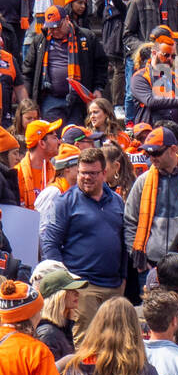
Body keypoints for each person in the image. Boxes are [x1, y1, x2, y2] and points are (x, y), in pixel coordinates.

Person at [40, 146, 126, 343]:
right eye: (82, 173)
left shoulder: (117, 202)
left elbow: (122, 242)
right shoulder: (65, 202)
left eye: (92, 173)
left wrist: (123, 278)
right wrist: (66, 282)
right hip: (83, 286)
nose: (87, 178)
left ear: (104, 173)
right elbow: (50, 243)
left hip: (114, 286)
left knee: (114, 344)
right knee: (85, 345)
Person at [124, 127, 178, 273]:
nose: (152, 158)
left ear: (172, 149)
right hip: (151, 265)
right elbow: (130, 221)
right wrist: (137, 257)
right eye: (149, 153)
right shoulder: (143, 181)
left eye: (157, 152)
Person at [121, 0, 178, 121]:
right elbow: (127, 36)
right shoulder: (138, 1)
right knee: (132, 93)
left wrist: (175, 52)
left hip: (167, 59)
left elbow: (177, 31)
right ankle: (131, 125)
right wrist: (146, 48)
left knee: (168, 91)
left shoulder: (173, 1)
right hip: (144, 60)